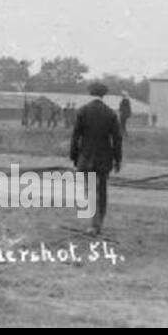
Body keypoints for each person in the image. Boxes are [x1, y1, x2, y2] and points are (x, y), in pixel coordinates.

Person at [70, 82, 122, 236]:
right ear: (103, 95)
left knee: (89, 190)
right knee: (102, 190)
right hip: (104, 159)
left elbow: (76, 136)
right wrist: (117, 159)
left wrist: (74, 156)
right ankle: (99, 223)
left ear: (90, 93)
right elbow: (117, 139)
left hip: (85, 158)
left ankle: (94, 223)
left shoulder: (83, 111)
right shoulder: (111, 113)